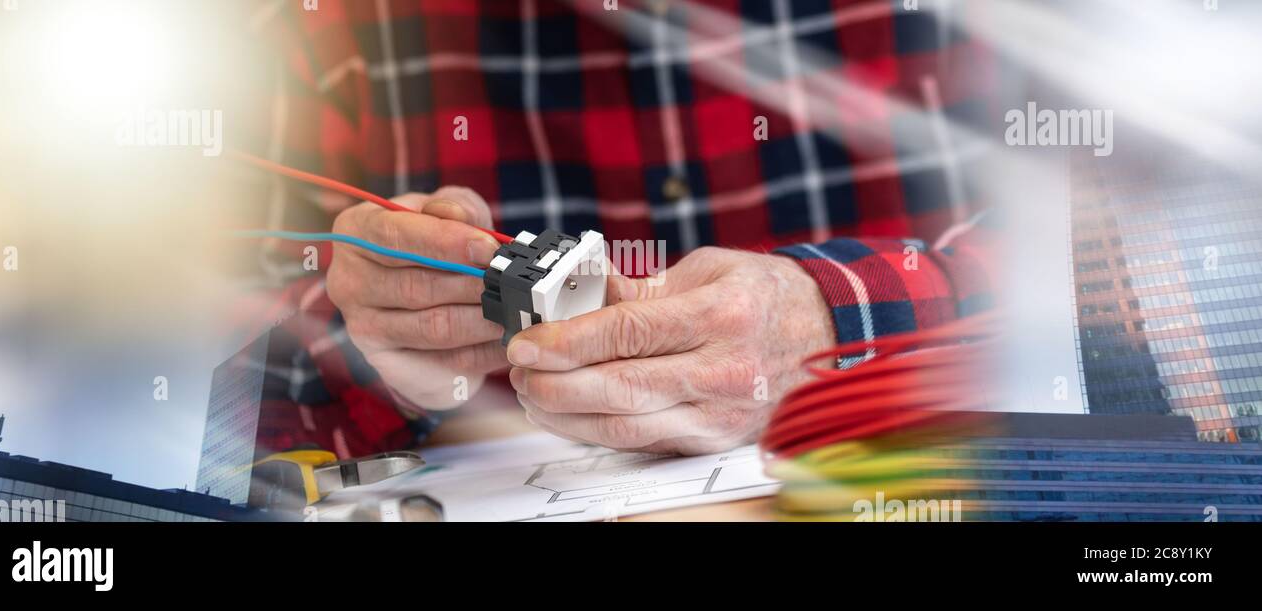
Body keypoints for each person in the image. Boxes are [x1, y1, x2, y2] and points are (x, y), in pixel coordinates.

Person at [237, 0, 994, 458]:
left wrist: (835, 315)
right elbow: (193, 430)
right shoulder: (318, 31)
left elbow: (1093, 275)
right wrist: (368, 348)